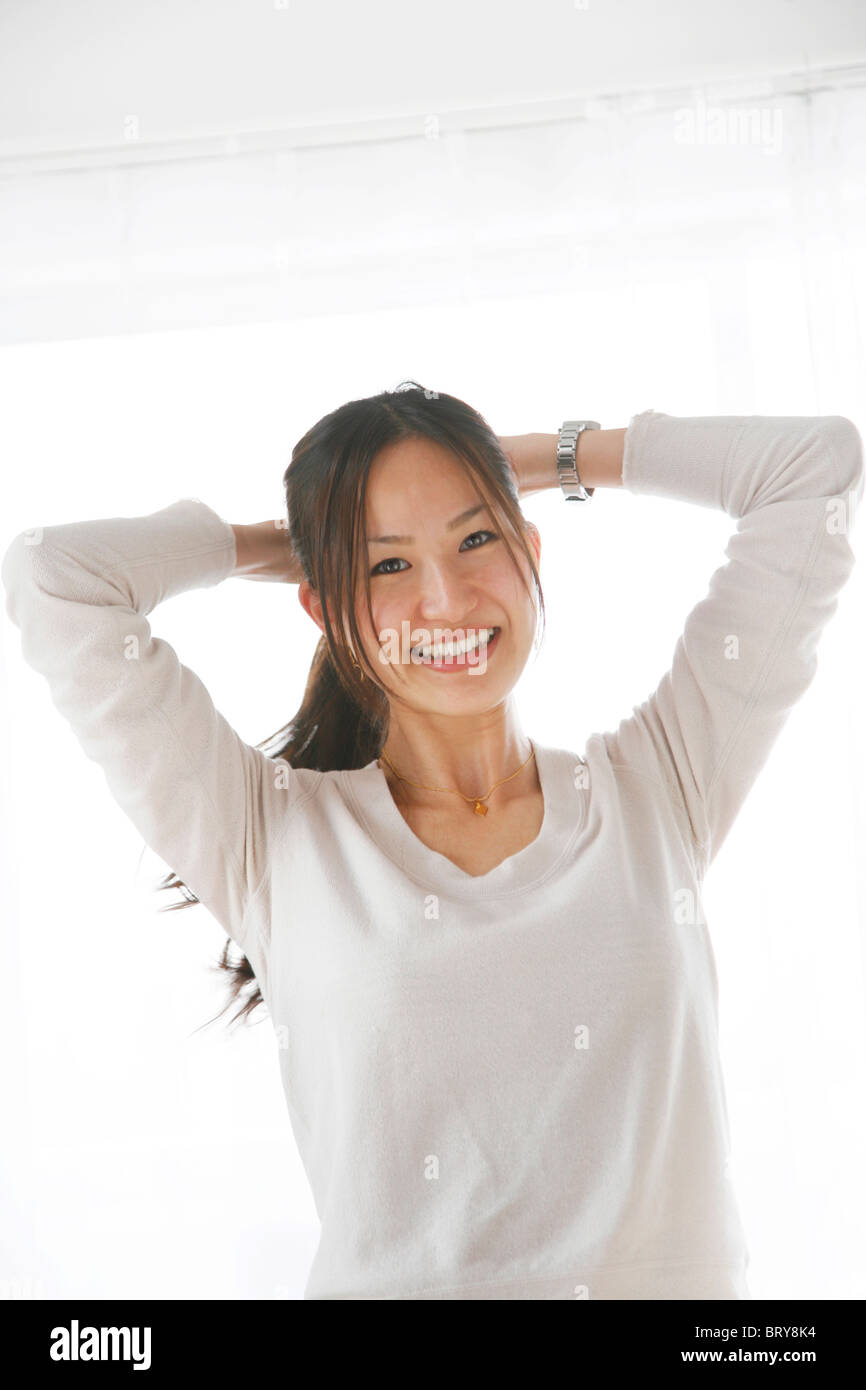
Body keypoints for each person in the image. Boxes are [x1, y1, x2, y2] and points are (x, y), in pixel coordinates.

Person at [2, 381, 862, 1301]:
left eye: (476, 537)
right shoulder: (271, 838)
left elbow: (817, 469)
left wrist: (537, 458)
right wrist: (298, 544)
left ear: (531, 547)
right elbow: (53, 574)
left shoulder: (659, 789)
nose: (446, 598)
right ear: (325, 610)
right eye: (387, 568)